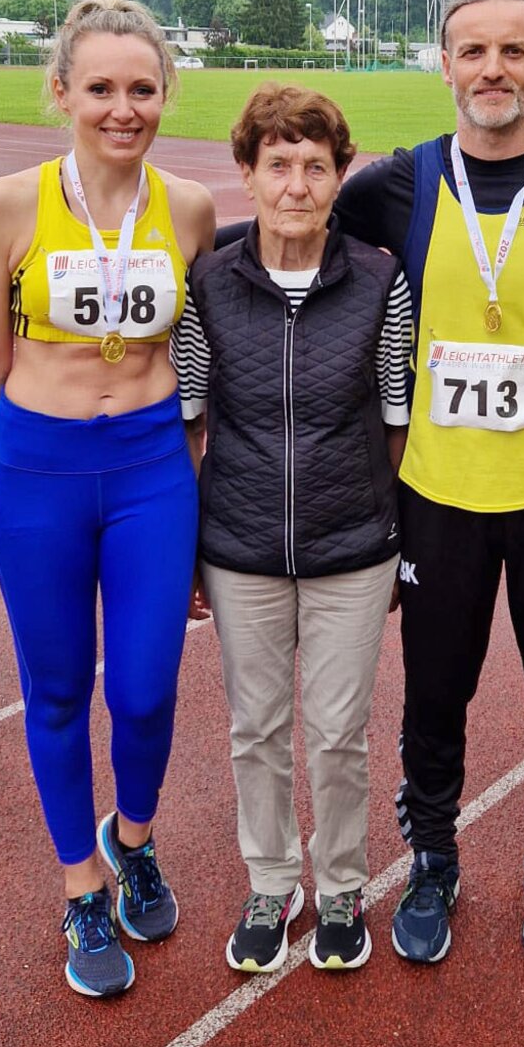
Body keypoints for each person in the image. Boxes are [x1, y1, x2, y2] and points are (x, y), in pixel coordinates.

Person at [332, 0, 524, 964]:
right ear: (446, 63)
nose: (493, 70)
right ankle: (433, 856)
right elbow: (325, 289)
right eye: (474, 51)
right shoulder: (391, 186)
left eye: (515, 51)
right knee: (435, 691)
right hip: (438, 494)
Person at [0, 0, 215, 998]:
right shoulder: (9, 206)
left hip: (151, 469)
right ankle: (80, 887)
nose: (122, 107)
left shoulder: (188, 209)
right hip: (37, 472)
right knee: (57, 688)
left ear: (164, 96)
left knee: (145, 686)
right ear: (61, 91)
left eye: (142, 88)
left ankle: (132, 835)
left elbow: (202, 356)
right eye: (100, 87)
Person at [177, 85, 413, 974]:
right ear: (247, 174)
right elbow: (191, 422)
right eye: (278, 165)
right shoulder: (208, 283)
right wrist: (197, 545)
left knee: (339, 732)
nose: (297, 185)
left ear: (339, 175)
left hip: (352, 548)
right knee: (256, 728)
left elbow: (398, 417)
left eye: (316, 166)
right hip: (239, 549)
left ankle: (342, 884)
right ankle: (272, 884)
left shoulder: (381, 282)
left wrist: (376, 519)